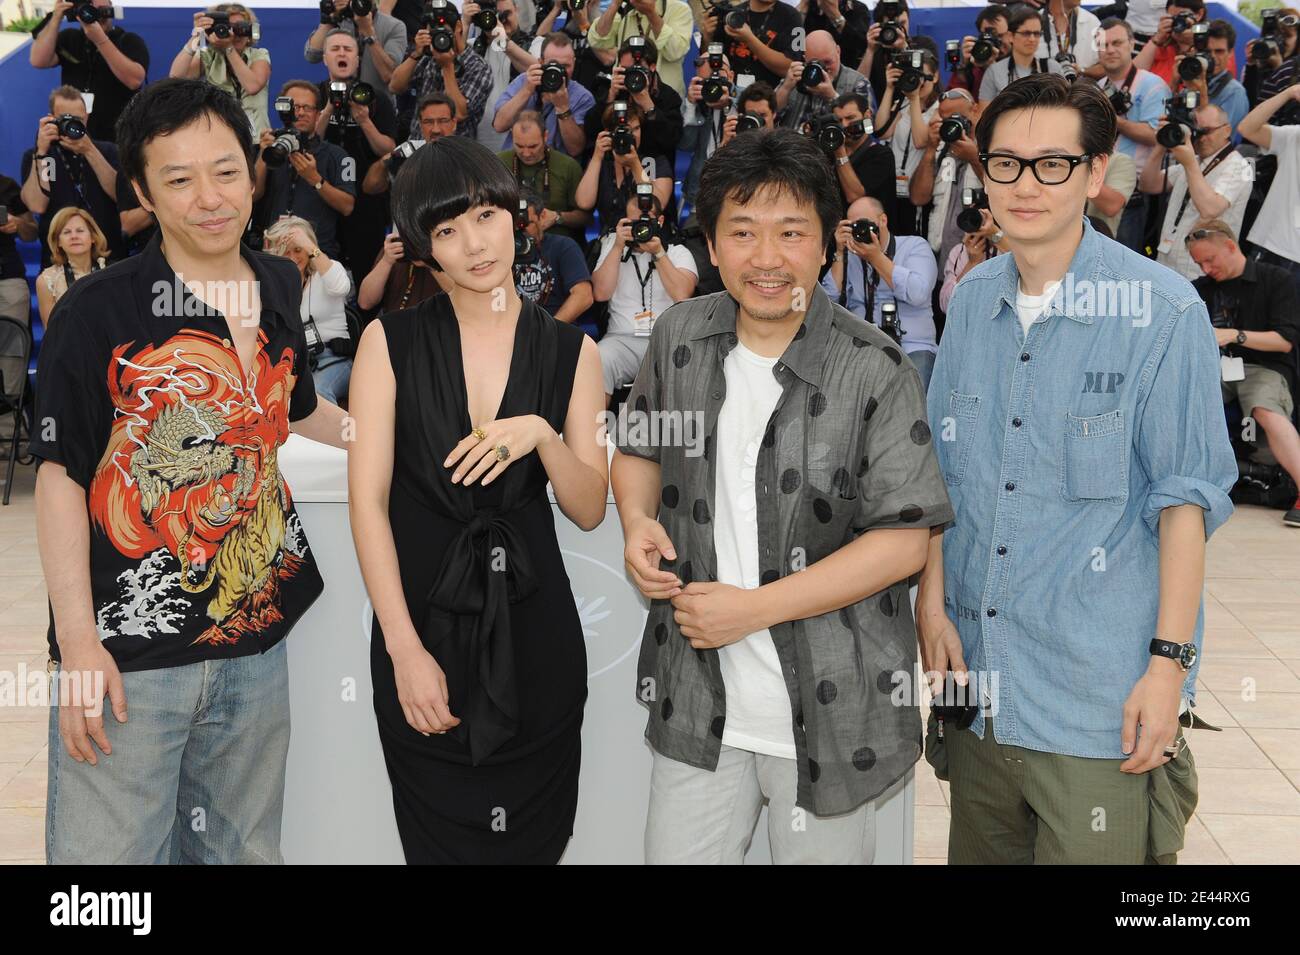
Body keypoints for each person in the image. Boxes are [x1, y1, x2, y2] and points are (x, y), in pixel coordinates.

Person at [612, 127, 953, 864]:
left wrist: (752, 610)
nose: (766, 258)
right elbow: (638, 449)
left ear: (827, 244)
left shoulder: (876, 367)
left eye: (790, 232)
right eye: (742, 232)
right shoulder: (678, 337)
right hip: (700, 704)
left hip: (830, 713)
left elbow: (902, 540)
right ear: (710, 243)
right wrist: (637, 519)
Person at [919, 73, 1236, 864]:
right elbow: (940, 478)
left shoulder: (1164, 313)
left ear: (1096, 174)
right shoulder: (971, 303)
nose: (1026, 185)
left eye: (1053, 164)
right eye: (1005, 163)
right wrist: (930, 605)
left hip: (1098, 707)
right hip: (980, 702)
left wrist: (1169, 670)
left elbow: (1185, 503)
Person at [32, 77, 349, 865]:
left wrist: (395, 434)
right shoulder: (97, 311)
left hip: (255, 641)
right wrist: (79, 645)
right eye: (178, 179)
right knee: (108, 875)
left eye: (226, 171)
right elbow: (61, 477)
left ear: (254, 173)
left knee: (241, 853)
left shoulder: (279, 281)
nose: (209, 198)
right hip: (130, 656)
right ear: (140, 189)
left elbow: (295, 405)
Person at [347, 135, 608, 864]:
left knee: (535, 844)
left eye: (486, 215)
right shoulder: (386, 344)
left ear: (515, 215)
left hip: (538, 644)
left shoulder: (571, 353)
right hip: (423, 633)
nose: (474, 243)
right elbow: (368, 503)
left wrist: (543, 436)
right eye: (447, 229)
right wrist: (403, 648)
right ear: (425, 248)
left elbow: (590, 506)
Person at [1187, 220, 1300, 527]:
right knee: (1178, 395)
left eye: (1211, 259)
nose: (1207, 268)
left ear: (1230, 246)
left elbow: (1284, 341)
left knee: (1264, 406)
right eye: (1199, 263)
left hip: (1265, 367)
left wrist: (1232, 335)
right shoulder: (1199, 289)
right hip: (1215, 367)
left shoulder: (1277, 279)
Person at [821, 195, 938, 388]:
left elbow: (918, 294)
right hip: (862, 344)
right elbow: (828, 301)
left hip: (912, 345)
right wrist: (840, 253)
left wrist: (875, 257)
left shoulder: (914, 246)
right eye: (852, 226)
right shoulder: (851, 257)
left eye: (863, 223)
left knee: (915, 404)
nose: (859, 231)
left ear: (883, 220)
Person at [591, 191, 696, 397]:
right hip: (620, 341)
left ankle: (673, 428)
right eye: (634, 222)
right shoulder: (613, 246)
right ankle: (593, 428)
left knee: (684, 360)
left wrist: (658, 252)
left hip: (668, 340)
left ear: (661, 221)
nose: (640, 228)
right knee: (597, 358)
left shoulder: (677, 252)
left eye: (646, 222)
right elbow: (601, 293)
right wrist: (617, 246)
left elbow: (682, 295)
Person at [316, 30, 400, 279]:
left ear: (357, 59)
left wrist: (364, 121)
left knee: (366, 266)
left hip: (367, 197)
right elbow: (309, 142)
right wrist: (330, 106)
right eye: (335, 49)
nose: (342, 53)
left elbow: (388, 149)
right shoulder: (315, 95)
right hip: (323, 194)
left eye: (348, 49)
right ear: (324, 58)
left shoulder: (376, 99)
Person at [1138, 102, 1250, 282]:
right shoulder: (1193, 160)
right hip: (1166, 262)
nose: (1201, 138)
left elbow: (1210, 209)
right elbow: (1148, 184)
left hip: (1201, 271)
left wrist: (1189, 164)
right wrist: (1161, 143)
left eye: (1207, 131)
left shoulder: (1241, 166)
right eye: (1197, 132)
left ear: (1227, 130)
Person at [252, 80, 358, 261]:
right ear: (282, 110)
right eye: (295, 106)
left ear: (318, 114)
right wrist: (265, 154)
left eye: (307, 107)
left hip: (318, 253)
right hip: (273, 252)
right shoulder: (266, 148)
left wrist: (315, 179)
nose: (300, 112)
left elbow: (347, 206)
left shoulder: (338, 155)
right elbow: (252, 195)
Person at [20, 86, 123, 268]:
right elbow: (37, 205)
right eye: (65, 119)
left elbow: (121, 194)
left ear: (87, 117)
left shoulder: (107, 151)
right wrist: (42, 152)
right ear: (51, 118)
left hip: (108, 255)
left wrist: (90, 150)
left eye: (78, 119)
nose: (72, 125)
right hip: (57, 258)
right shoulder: (41, 156)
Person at [1094, 18, 1171, 254]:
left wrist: (1114, 119)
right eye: (1103, 44)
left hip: (1136, 194)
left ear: (1131, 43)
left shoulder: (1152, 85)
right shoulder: (1097, 87)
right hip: (1099, 187)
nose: (1110, 50)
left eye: (1116, 42)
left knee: (1124, 265)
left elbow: (1158, 136)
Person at [28, 0, 149, 142]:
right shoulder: (70, 38)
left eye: (102, 10)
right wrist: (56, 17)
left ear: (111, 9)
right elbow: (38, 60)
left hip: (117, 136)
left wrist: (100, 40)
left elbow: (134, 80)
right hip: (74, 132)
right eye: (90, 9)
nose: (96, 15)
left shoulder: (128, 40)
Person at [264, 216, 355, 405]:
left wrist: (308, 244)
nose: (292, 257)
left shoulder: (327, 271)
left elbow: (341, 287)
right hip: (294, 363)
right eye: (285, 252)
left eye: (298, 250)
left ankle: (332, 436)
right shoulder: (274, 285)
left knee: (318, 391)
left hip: (333, 358)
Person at [390, 3, 494, 141]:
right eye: (433, 32)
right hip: (418, 146)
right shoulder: (427, 57)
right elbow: (395, 87)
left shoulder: (478, 67)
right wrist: (416, 54)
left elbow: (458, 114)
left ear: (458, 27)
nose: (439, 38)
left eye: (444, 32)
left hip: (453, 152)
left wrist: (447, 67)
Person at [910, 87, 983, 276]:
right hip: (938, 256)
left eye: (956, 116)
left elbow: (1002, 190)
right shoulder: (939, 150)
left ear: (974, 110)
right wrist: (930, 150)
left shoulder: (990, 145)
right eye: (945, 118)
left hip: (977, 256)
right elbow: (918, 198)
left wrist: (974, 157)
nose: (952, 123)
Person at [169, 5, 272, 136]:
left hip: (257, 138)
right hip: (222, 137)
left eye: (241, 27)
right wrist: (196, 37)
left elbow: (252, 86)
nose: (234, 34)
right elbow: (175, 77)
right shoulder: (209, 56)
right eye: (229, 27)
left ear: (250, 32)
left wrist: (229, 48)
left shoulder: (259, 55)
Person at [576, 102, 674, 234]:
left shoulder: (654, 161)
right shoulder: (602, 162)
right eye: (627, 130)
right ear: (609, 133)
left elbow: (657, 205)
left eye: (637, 128)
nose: (633, 135)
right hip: (611, 240)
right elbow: (584, 202)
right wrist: (597, 156)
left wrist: (635, 165)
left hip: (649, 237)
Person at [493, 31, 596, 156]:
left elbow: (575, 149)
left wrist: (563, 108)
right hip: (515, 163)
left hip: (555, 169)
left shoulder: (583, 97)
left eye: (565, 66)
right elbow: (499, 125)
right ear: (540, 62)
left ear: (574, 62)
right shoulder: (524, 81)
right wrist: (526, 91)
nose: (559, 71)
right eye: (553, 65)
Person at [1239, 84, 1300, 296]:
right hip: (1270, 244)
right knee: (1251, 316)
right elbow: (1246, 128)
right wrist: (1288, 93)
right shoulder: (1294, 136)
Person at [582, 36, 684, 162]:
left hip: (653, 166)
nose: (631, 76)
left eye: (636, 70)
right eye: (626, 70)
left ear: (652, 67)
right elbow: (591, 131)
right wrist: (610, 97)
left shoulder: (668, 96)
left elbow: (672, 140)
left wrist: (648, 105)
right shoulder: (612, 90)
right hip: (615, 164)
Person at [498, 111, 589, 243]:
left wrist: (558, 217)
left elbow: (586, 218)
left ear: (545, 136)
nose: (526, 153)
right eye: (519, 146)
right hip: (511, 243)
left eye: (533, 146)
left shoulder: (568, 166)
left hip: (557, 244)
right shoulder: (498, 163)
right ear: (512, 136)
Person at [513, 188, 594, 324]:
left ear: (542, 216)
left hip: (555, 328)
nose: (520, 231)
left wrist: (550, 330)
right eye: (514, 224)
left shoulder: (563, 246)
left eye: (527, 224)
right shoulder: (498, 251)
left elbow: (584, 296)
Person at [466, 0, 538, 149]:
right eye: (495, 16)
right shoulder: (473, 46)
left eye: (506, 14)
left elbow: (536, 69)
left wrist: (502, 39)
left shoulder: (535, 43)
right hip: (476, 143)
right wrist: (465, 23)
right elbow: (451, 63)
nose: (501, 20)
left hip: (518, 143)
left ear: (517, 10)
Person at [586, 0, 694, 98]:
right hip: (626, 95)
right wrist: (615, 4)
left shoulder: (679, 9)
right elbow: (598, 40)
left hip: (663, 100)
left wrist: (651, 13)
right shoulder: (627, 11)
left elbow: (674, 51)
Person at [776, 29, 871, 134]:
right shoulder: (796, 77)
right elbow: (772, 115)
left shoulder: (858, 82)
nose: (823, 69)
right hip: (791, 145)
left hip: (832, 148)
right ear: (805, 59)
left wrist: (832, 97)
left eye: (828, 62)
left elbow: (868, 128)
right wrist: (786, 88)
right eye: (815, 63)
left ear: (838, 52)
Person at [363, 92, 457, 196]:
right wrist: (383, 163)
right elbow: (369, 187)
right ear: (420, 125)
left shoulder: (469, 154)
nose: (436, 129)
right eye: (428, 122)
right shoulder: (408, 150)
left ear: (454, 123)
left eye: (443, 121)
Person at [307, 0, 409, 95]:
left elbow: (389, 76)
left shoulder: (394, 26)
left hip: (378, 104)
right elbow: (312, 56)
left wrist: (369, 34)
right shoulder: (338, 21)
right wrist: (329, 19)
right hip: (340, 99)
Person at [1171, 19, 1250, 135]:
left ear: (1231, 53)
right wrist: (1174, 83)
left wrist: (1202, 93)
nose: (1212, 57)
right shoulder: (1192, 82)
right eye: (1207, 51)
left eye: (1219, 51)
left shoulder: (1234, 93)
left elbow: (1214, 140)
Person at [830, 91, 897, 221]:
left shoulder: (881, 155)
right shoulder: (829, 153)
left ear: (867, 115)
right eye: (839, 120)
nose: (844, 125)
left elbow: (855, 196)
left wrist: (840, 153)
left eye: (850, 118)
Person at [36, 207, 109, 326]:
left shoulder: (112, 271)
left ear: (93, 237)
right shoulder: (46, 280)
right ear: (58, 241)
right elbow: (51, 333)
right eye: (66, 232)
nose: (74, 236)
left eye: (80, 231)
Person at [703, 0, 799, 89]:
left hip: (772, 98)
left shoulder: (794, 17)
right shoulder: (731, 14)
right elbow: (709, 64)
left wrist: (750, 40)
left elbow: (792, 67)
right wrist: (708, 37)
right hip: (730, 95)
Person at [979, 7, 1068, 102]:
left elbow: (1065, 107)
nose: (1032, 39)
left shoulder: (1053, 69)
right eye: (1026, 33)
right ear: (1010, 36)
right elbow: (984, 114)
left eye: (1037, 33)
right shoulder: (994, 72)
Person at [358, 228, 447, 316]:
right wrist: (386, 261)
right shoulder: (396, 249)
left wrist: (430, 264)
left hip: (435, 326)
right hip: (395, 324)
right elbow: (365, 303)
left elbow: (457, 297)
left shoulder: (446, 250)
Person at [1136, 0, 1209, 89]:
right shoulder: (1160, 47)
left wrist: (1191, 43)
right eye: (1173, 18)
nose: (1178, 23)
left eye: (1182, 16)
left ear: (1199, 14)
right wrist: (1157, 38)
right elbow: (1132, 75)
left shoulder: (1213, 44)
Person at [947, 4, 1012, 99]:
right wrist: (964, 67)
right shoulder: (975, 64)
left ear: (1011, 34)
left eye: (1000, 36)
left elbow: (1010, 99)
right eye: (987, 36)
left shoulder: (1019, 62)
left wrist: (992, 68)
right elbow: (952, 101)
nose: (994, 41)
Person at [0, 175, 38, 327]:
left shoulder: (7, 185)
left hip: (7, 278)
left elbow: (32, 234)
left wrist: (18, 224)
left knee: (14, 347)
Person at [801, 0, 871, 73]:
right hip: (809, 71)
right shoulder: (809, 8)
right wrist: (803, 8)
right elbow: (794, 46)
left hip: (846, 72)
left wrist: (835, 16)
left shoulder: (856, 8)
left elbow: (861, 45)